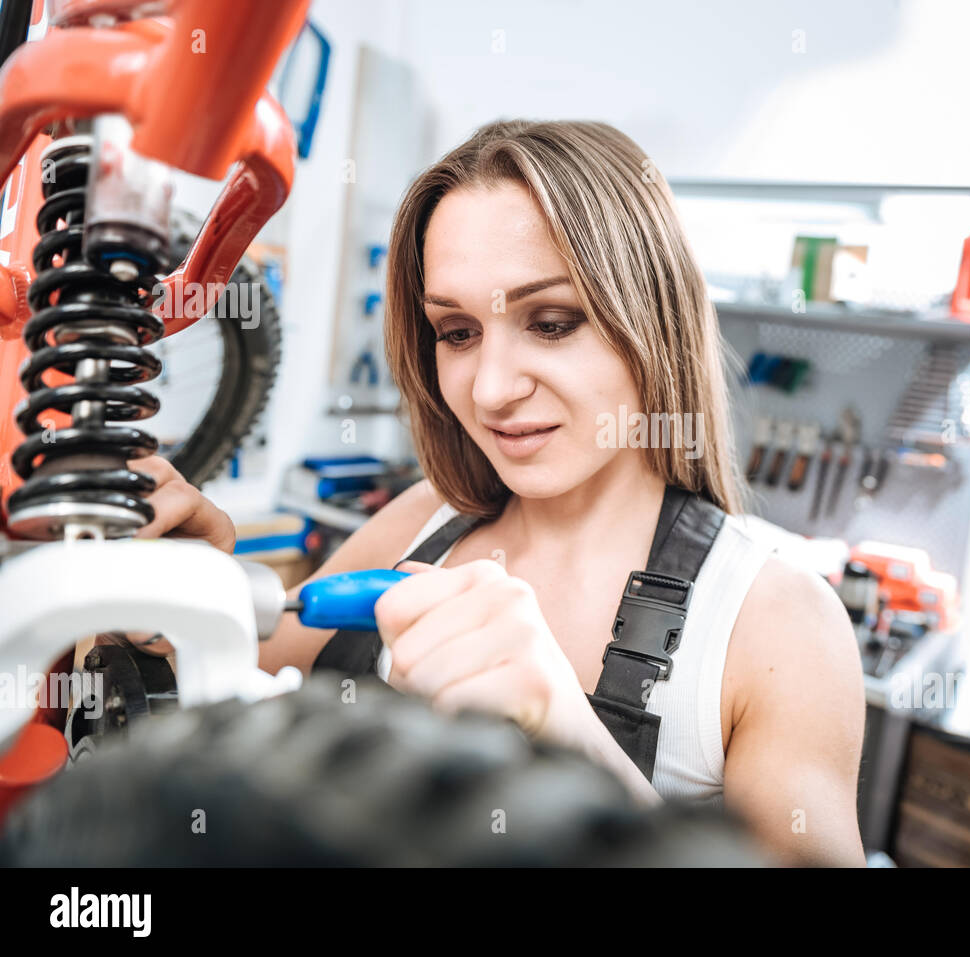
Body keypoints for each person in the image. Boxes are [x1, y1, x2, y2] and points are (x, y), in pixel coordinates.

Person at [137, 120, 867, 866]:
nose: (490, 389)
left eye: (551, 323)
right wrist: (186, 600)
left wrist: (577, 747)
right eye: (456, 332)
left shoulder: (779, 624)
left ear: (655, 317)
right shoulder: (424, 521)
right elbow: (240, 694)